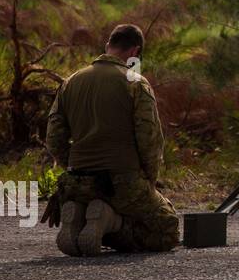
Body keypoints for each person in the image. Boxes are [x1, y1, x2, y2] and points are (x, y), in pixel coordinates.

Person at [44, 24, 179, 255]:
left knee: (91, 200)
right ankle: (110, 222)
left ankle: (79, 214)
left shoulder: (71, 81)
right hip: (121, 183)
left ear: (108, 46)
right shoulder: (135, 82)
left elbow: (54, 137)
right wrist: (148, 178)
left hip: (76, 182)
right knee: (167, 231)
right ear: (135, 53)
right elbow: (149, 139)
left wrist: (72, 166)